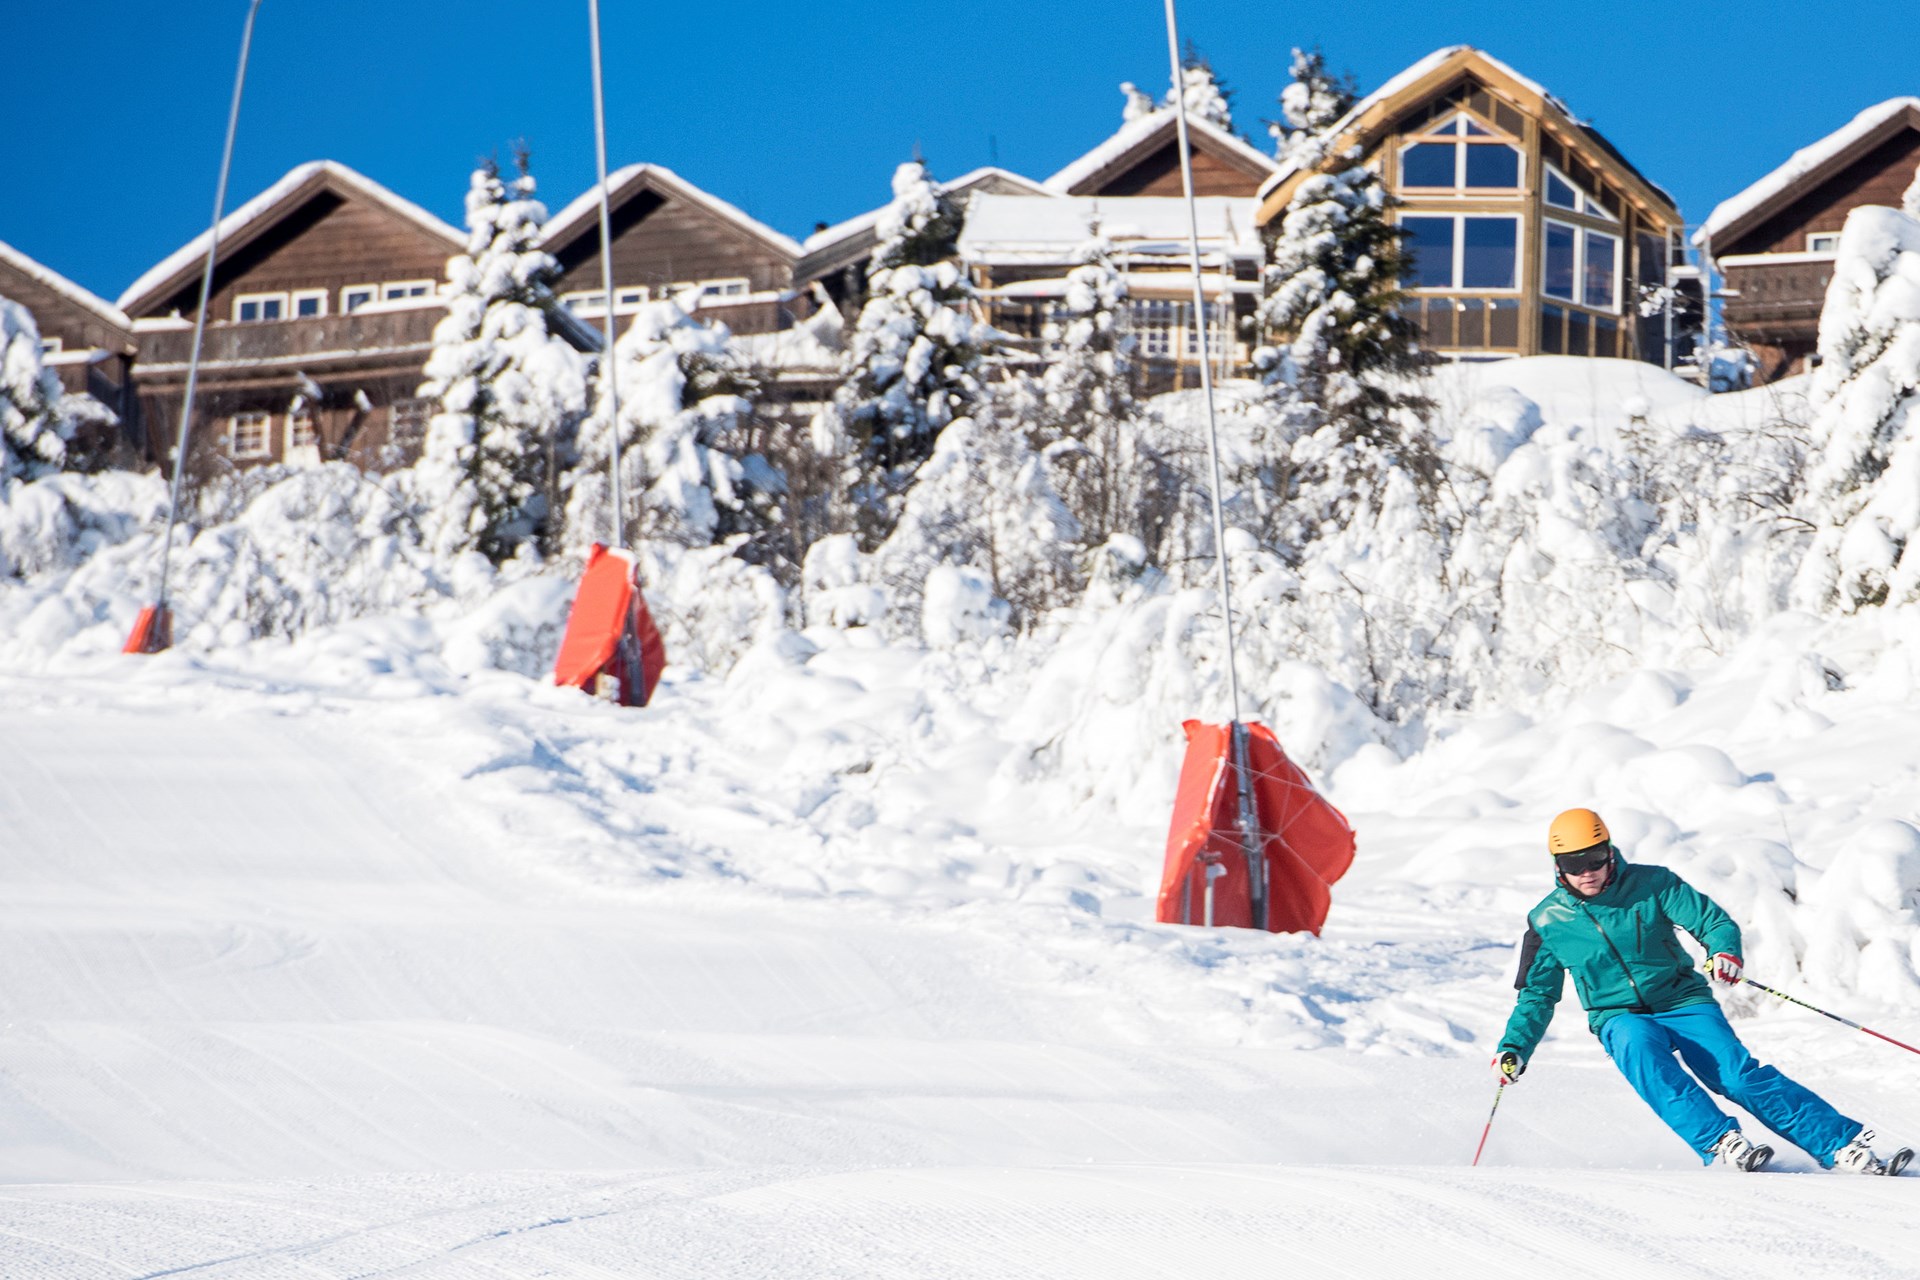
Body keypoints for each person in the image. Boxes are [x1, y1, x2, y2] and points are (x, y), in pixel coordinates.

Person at [1493, 807, 1906, 1174]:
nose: (1588, 871)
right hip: (1617, 1015)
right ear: (1557, 864)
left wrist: (1723, 951)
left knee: (1737, 1076)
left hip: (1682, 1000)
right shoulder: (1548, 920)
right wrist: (1515, 1047)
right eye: (1574, 862)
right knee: (1640, 1049)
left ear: (1609, 851)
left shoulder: (1653, 884)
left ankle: (1839, 1146)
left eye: (1595, 858)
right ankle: (1719, 1140)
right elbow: (1536, 995)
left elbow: (1712, 922)